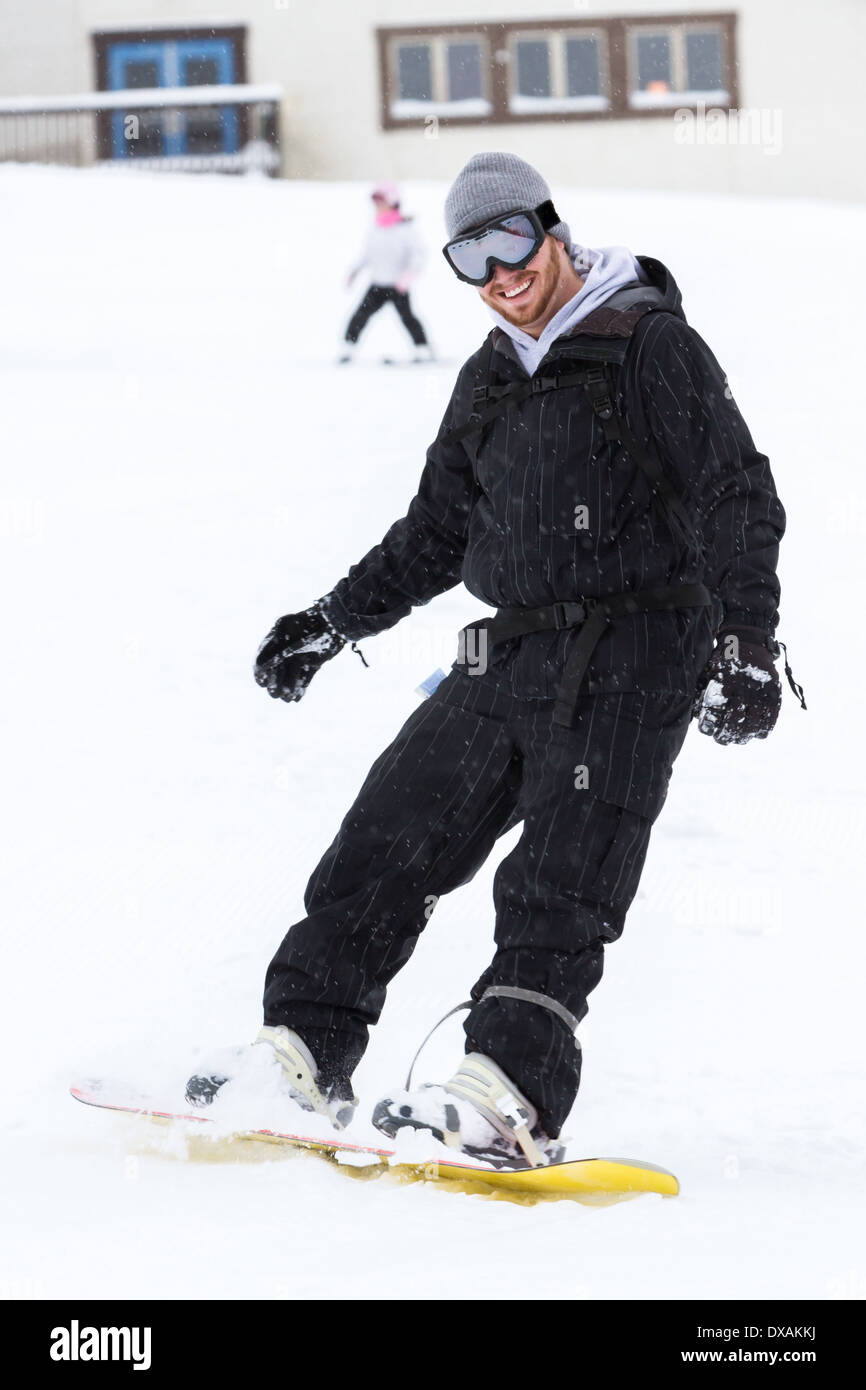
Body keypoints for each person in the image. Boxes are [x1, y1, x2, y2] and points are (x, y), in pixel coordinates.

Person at [188, 152, 799, 1168]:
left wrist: (744, 644)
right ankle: (299, 1053)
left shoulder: (646, 342)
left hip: (636, 648)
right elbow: (434, 531)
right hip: (508, 648)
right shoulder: (486, 374)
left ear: (551, 230)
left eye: (511, 240)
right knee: (386, 837)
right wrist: (334, 621)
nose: (499, 273)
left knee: (561, 880)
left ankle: (504, 1090)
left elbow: (739, 493)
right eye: (470, 256)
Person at [339, 180, 433, 364]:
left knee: (408, 318)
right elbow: (366, 254)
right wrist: (354, 271)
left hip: (398, 286)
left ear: (392, 202)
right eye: (376, 203)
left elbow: (418, 257)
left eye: (381, 202)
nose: (378, 207)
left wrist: (407, 278)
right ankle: (347, 348)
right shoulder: (375, 229)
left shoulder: (406, 229)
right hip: (377, 284)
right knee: (360, 316)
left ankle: (423, 349)